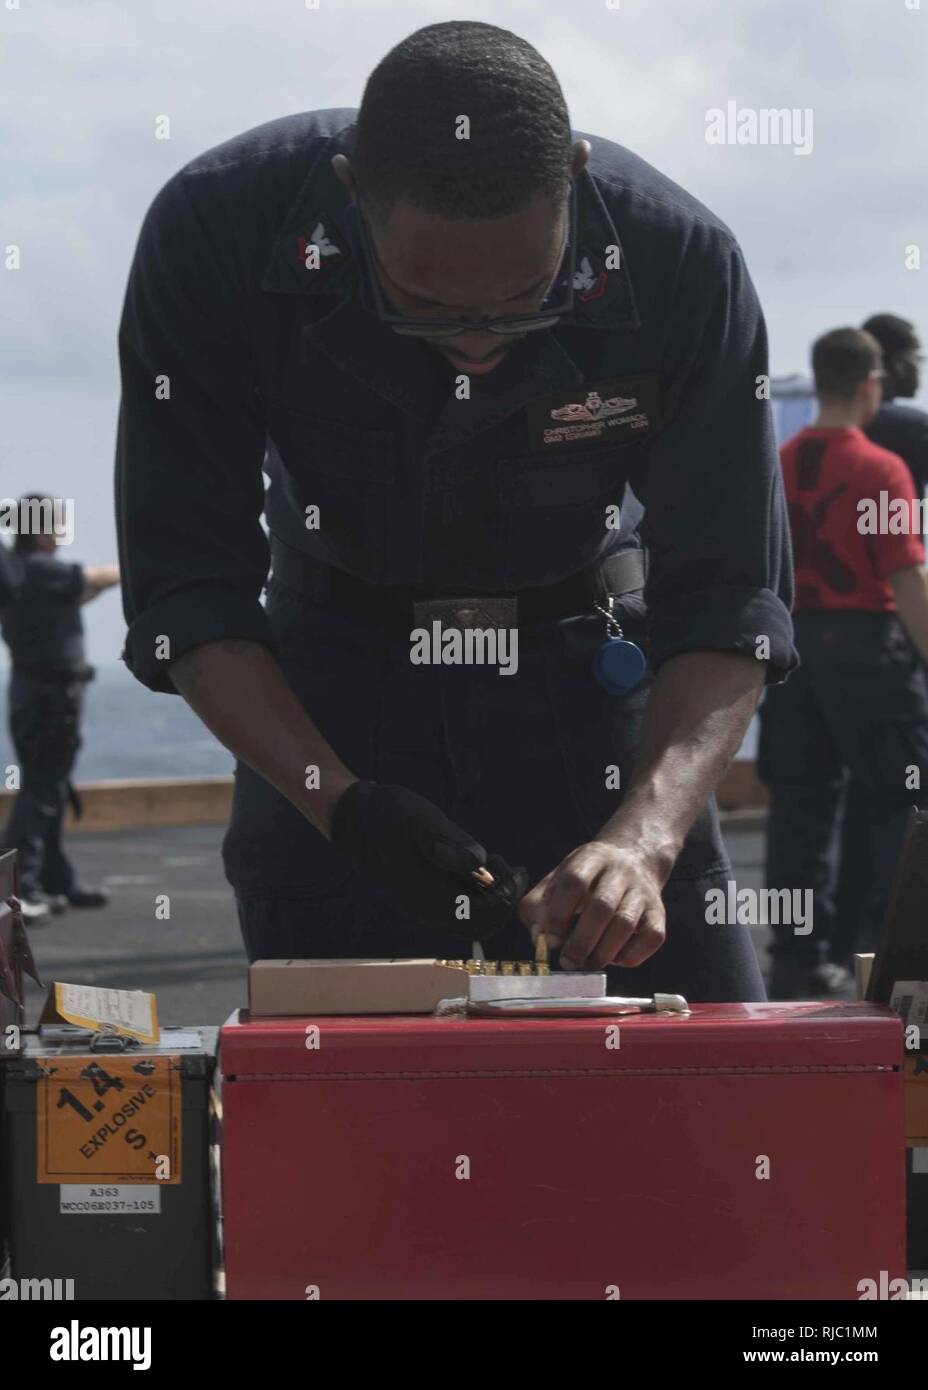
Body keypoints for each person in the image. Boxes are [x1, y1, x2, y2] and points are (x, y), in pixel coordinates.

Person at [115, 21, 796, 1000]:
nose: (480, 346)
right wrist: (340, 807)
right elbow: (192, 589)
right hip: (328, 690)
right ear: (353, 199)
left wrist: (644, 838)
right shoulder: (217, 232)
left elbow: (731, 595)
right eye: (425, 308)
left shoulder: (680, 262)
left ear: (575, 176)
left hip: (589, 680)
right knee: (336, 1111)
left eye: (526, 300)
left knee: (708, 1089)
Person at [758, 329, 928, 998]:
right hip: (868, 653)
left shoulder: (775, 461)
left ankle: (796, 964)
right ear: (869, 386)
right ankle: (904, 966)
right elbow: (907, 581)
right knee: (901, 808)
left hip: (794, 651)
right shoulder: (880, 468)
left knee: (798, 813)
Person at [834, 314, 928, 961]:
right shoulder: (907, 430)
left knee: (841, 806)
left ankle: (830, 948)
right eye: (915, 355)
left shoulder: (816, 436)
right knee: (900, 799)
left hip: (814, 643)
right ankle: (890, 943)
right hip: (888, 635)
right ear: (889, 364)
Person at [0, 495, 120, 920]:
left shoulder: (24, 573)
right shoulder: (36, 568)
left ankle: (52, 881)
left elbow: (76, 592)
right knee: (41, 790)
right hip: (49, 696)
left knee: (49, 787)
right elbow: (90, 577)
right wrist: (134, 566)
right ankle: (17, 889)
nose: (59, 534)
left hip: (43, 693)